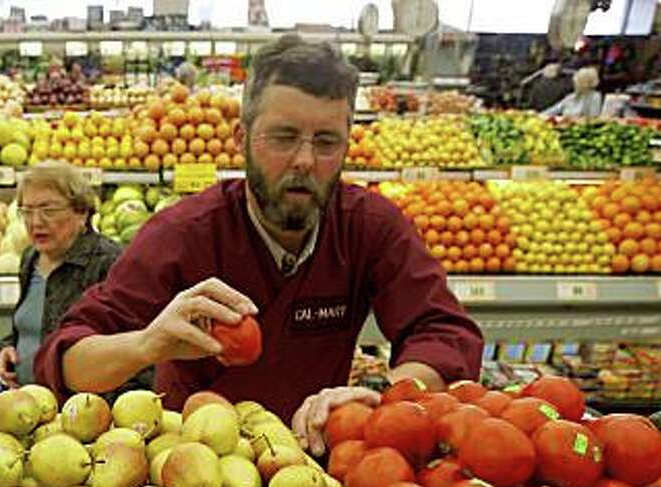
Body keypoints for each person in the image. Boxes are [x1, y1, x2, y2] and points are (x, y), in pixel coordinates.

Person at [34, 34, 483, 456]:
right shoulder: (182, 234)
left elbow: (443, 332)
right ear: (241, 140)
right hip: (197, 474)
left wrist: (387, 394)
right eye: (284, 137)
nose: (305, 160)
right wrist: (147, 344)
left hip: (315, 461)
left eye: (326, 142)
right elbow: (68, 358)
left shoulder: (370, 228)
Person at [0, 162, 122, 388]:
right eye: (27, 211)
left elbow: (125, 347)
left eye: (49, 210)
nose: (36, 222)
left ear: (81, 212)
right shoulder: (30, 258)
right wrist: (9, 347)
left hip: (81, 411)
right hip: (27, 405)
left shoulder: (108, 262)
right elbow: (28, 324)